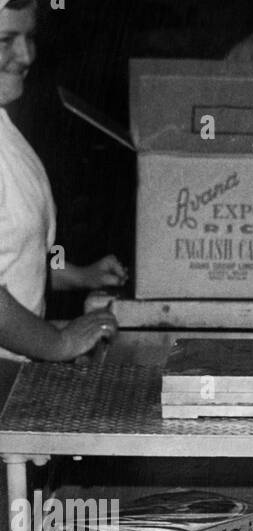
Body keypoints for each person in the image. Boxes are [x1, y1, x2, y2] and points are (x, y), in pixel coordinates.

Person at [0, 0, 122, 361]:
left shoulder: (5, 126)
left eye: (29, 37)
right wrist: (60, 343)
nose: (26, 54)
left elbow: (14, 253)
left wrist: (79, 276)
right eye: (6, 40)